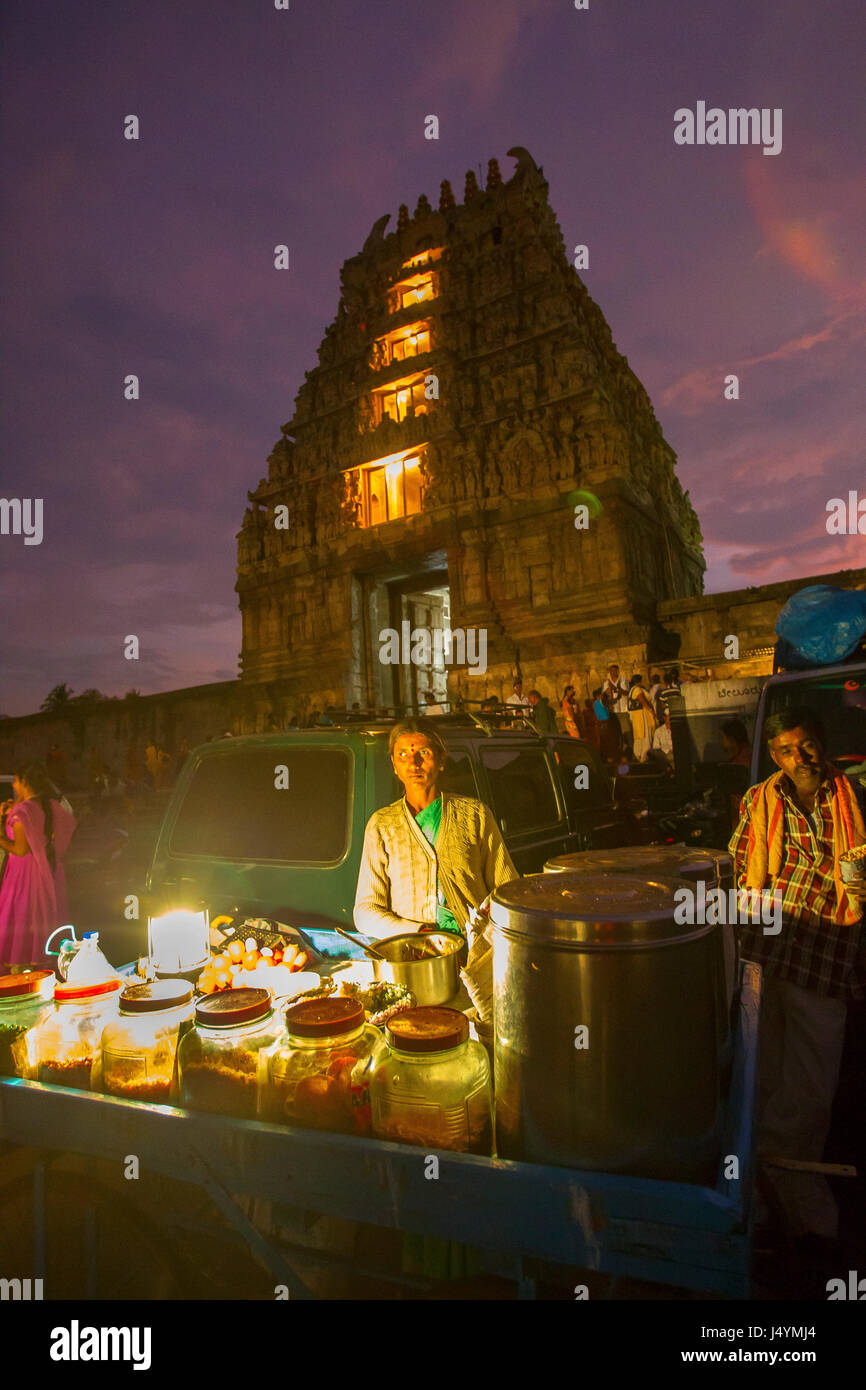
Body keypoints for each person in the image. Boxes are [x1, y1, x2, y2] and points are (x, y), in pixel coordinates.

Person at [728, 707, 866, 1263]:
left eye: (805, 745)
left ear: (821, 744)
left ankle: (812, 1227)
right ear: (774, 755)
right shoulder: (759, 799)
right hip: (765, 959)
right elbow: (742, 870)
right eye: (785, 750)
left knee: (808, 1096)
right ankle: (760, 1208)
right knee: (756, 1081)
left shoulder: (855, 797)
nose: (798, 758)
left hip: (826, 963)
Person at [354, 719, 518, 944]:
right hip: (415, 958)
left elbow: (508, 890)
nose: (413, 763)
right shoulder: (382, 825)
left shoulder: (475, 815)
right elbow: (365, 912)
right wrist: (417, 932)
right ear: (394, 765)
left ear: (442, 759)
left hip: (475, 954)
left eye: (423, 752)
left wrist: (484, 922)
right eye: (402, 755)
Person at [0, 763, 77, 963]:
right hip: (48, 871)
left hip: (23, 876)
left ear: (25, 782)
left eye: (16, 781)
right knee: (41, 919)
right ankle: (44, 962)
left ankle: (21, 965)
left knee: (21, 918)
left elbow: (19, 849)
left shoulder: (23, 812)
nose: (14, 785)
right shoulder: (50, 805)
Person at [602, 663, 631, 757]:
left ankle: (630, 752)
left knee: (626, 732)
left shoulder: (623, 680)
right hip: (612, 712)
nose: (612, 672)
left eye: (614, 670)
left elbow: (627, 693)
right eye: (611, 671)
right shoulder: (606, 683)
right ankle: (619, 753)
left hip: (623, 710)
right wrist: (607, 692)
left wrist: (616, 689)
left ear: (617, 671)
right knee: (616, 734)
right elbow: (604, 697)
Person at [627, 674, 657, 762]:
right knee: (645, 735)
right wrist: (650, 710)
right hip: (642, 715)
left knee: (639, 736)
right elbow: (642, 700)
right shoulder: (637, 689)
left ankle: (638, 755)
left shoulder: (631, 690)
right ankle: (644, 756)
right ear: (639, 681)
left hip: (636, 716)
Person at [593, 686, 620, 762]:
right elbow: (605, 697)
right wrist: (608, 688)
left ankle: (605, 758)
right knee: (608, 741)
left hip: (600, 724)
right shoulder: (599, 701)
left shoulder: (595, 703)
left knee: (603, 742)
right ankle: (609, 758)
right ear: (598, 696)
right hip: (604, 724)